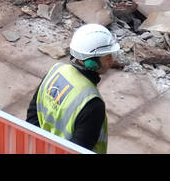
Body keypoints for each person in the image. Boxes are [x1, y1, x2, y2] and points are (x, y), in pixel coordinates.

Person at [28, 22, 119, 153]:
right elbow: (78, 150)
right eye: (107, 56)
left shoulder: (56, 71)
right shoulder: (92, 103)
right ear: (91, 62)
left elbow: (32, 117)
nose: (112, 61)